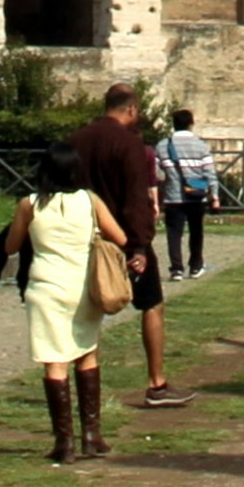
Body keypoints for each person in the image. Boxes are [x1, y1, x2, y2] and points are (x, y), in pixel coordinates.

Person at [5, 142, 129, 463]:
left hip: (46, 288)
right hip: (83, 287)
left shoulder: (29, 205)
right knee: (87, 353)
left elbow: (10, 246)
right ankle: (92, 434)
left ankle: (65, 442)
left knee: (54, 360)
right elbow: (121, 237)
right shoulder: (90, 201)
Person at [75, 81, 189, 407]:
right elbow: (136, 199)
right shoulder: (129, 145)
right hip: (125, 238)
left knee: (87, 311)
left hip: (84, 237)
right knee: (151, 304)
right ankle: (156, 382)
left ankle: (87, 386)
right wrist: (138, 246)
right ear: (132, 110)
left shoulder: (77, 140)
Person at [156, 105, 219, 279]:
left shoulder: (163, 145)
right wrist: (214, 196)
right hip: (196, 195)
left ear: (173, 125)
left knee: (174, 233)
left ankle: (176, 268)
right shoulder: (200, 145)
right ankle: (195, 265)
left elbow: (157, 174)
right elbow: (209, 172)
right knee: (196, 232)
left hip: (172, 196)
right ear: (191, 124)